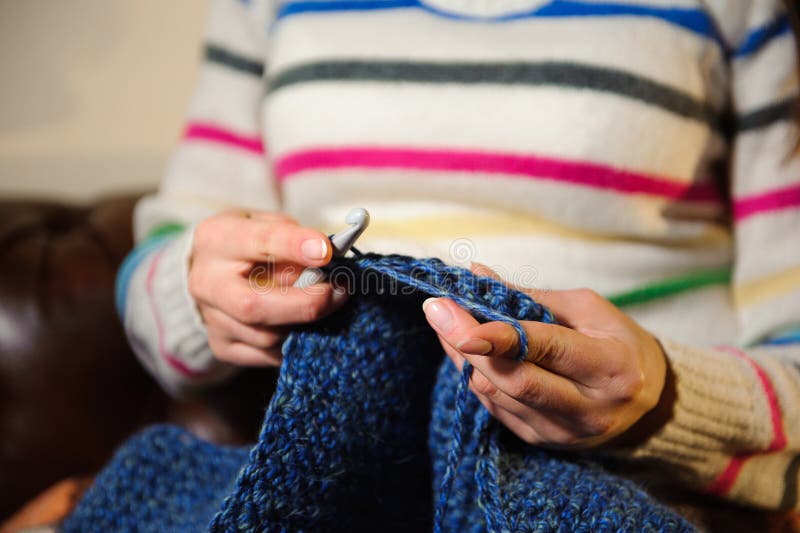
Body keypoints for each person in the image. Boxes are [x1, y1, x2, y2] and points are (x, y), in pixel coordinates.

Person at [116, 0, 800, 517]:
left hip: (647, 490)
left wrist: (665, 398)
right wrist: (196, 293)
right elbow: (167, 271)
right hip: (340, 489)